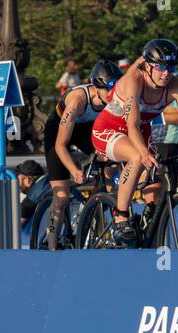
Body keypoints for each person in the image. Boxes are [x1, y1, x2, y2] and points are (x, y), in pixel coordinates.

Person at [90, 39, 178, 247]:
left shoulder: (176, 86)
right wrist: (144, 154)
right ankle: (120, 216)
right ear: (147, 66)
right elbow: (132, 125)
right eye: (161, 68)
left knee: (157, 177)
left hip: (141, 130)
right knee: (138, 157)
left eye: (171, 68)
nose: (166, 74)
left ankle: (149, 218)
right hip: (110, 129)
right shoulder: (133, 81)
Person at [44, 59, 121, 250]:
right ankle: (51, 242)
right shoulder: (77, 101)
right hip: (58, 135)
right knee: (61, 196)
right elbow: (61, 145)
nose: (112, 95)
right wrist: (74, 171)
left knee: (111, 164)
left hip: (86, 131)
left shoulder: (113, 100)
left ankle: (96, 203)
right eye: (108, 90)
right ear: (96, 87)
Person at [17, 159, 52, 227]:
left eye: (19, 181)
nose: (19, 186)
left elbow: (23, 213)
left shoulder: (36, 190)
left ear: (28, 180)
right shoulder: (48, 180)